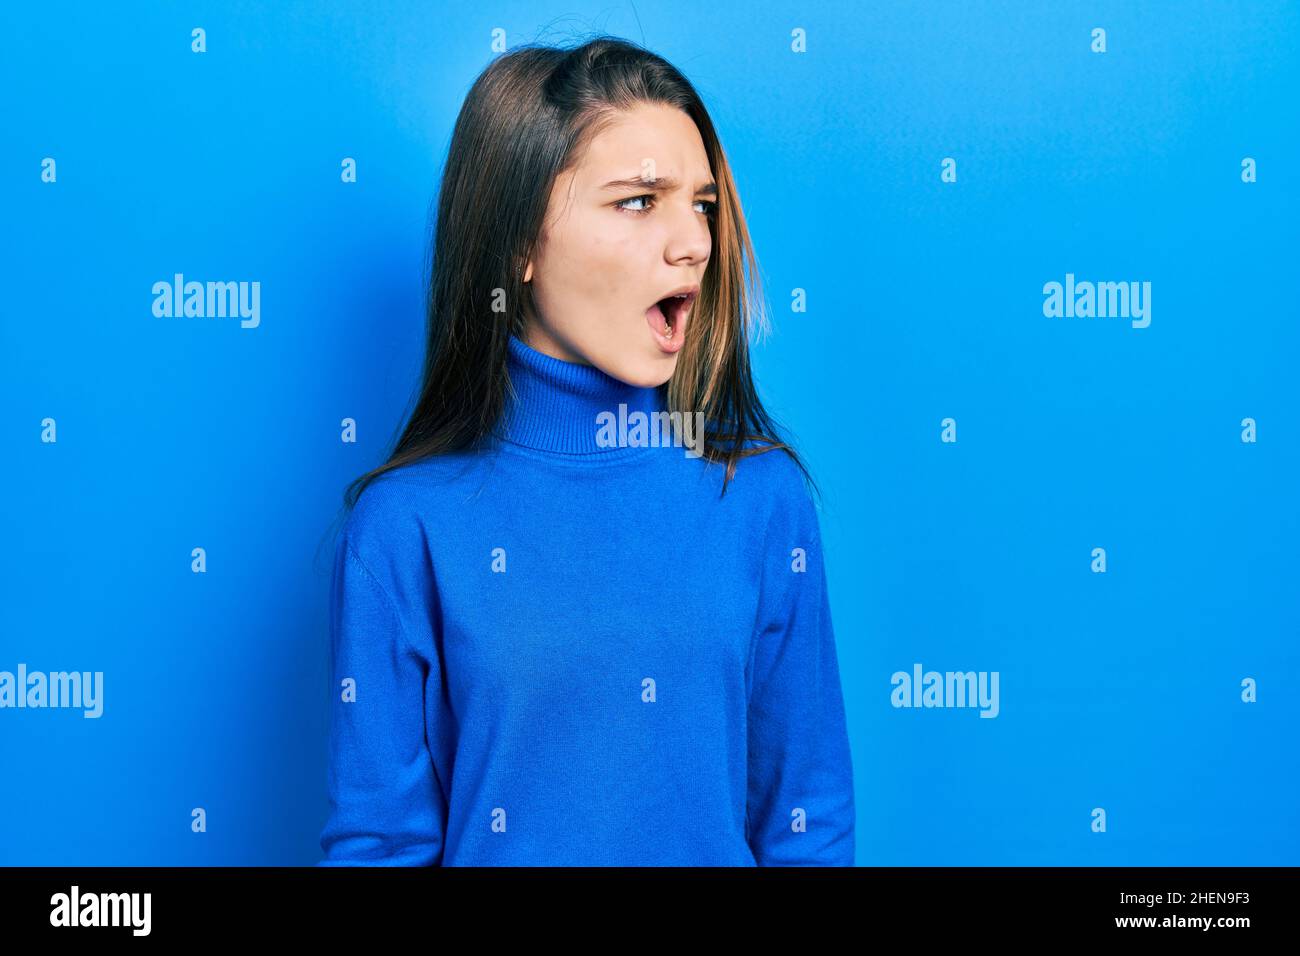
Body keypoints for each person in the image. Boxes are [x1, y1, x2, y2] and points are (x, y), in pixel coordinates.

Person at [318, 35, 855, 866]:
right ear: (518, 246)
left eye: (702, 204)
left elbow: (807, 825)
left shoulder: (760, 498)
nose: (695, 244)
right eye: (640, 201)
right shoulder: (402, 529)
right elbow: (379, 846)